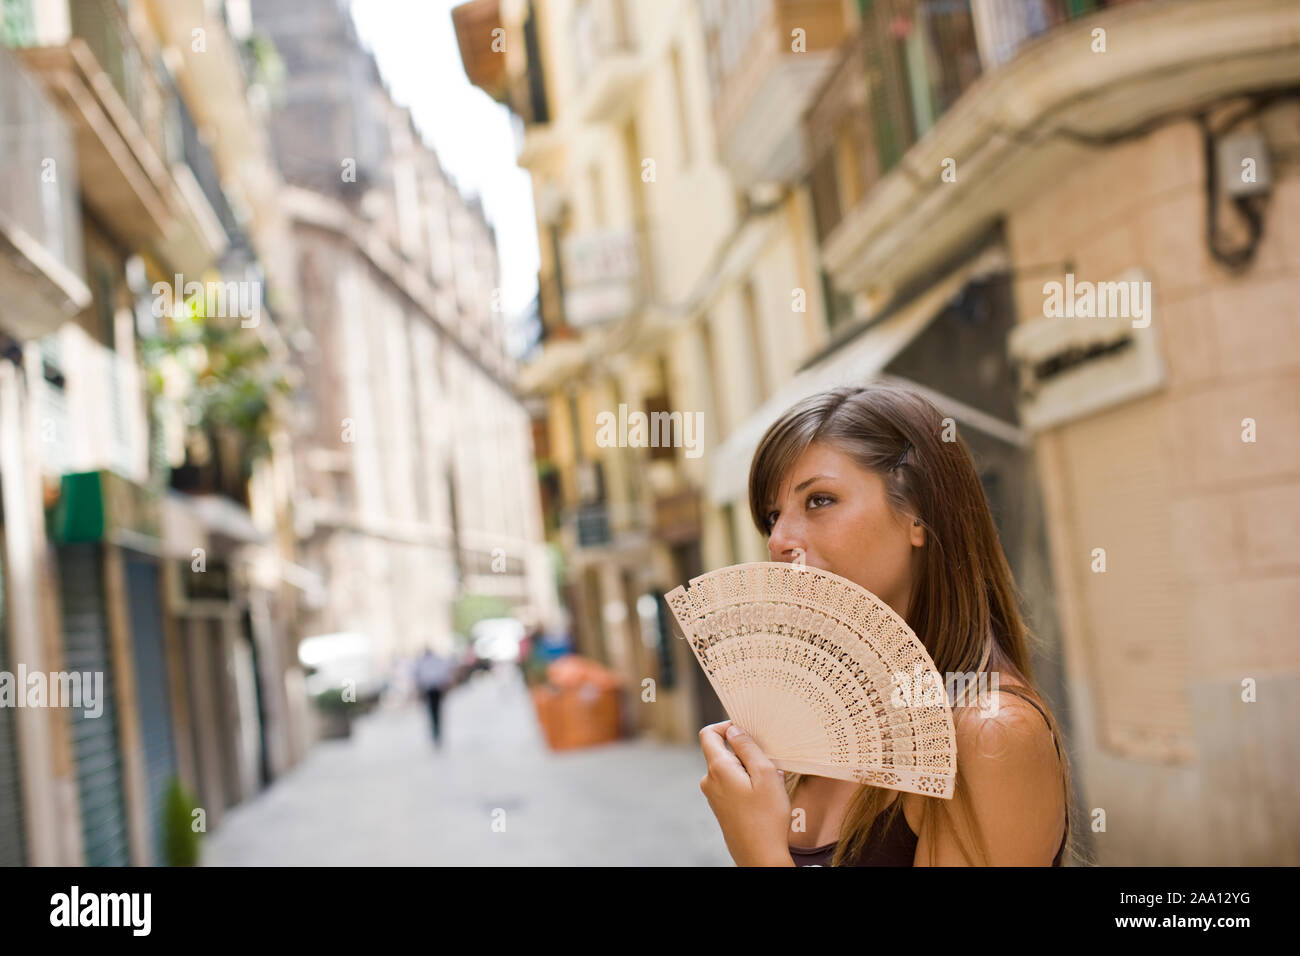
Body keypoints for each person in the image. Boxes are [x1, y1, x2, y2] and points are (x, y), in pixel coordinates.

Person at [696, 383, 1078, 867]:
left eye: (819, 500)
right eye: (773, 515)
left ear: (918, 513)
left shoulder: (989, 733)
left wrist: (758, 852)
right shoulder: (810, 738)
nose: (778, 540)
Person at [414, 645, 456, 750]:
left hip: (435, 689)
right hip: (431, 689)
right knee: (434, 713)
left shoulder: (430, 661)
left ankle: (437, 734)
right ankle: (436, 734)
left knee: (435, 713)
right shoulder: (424, 662)